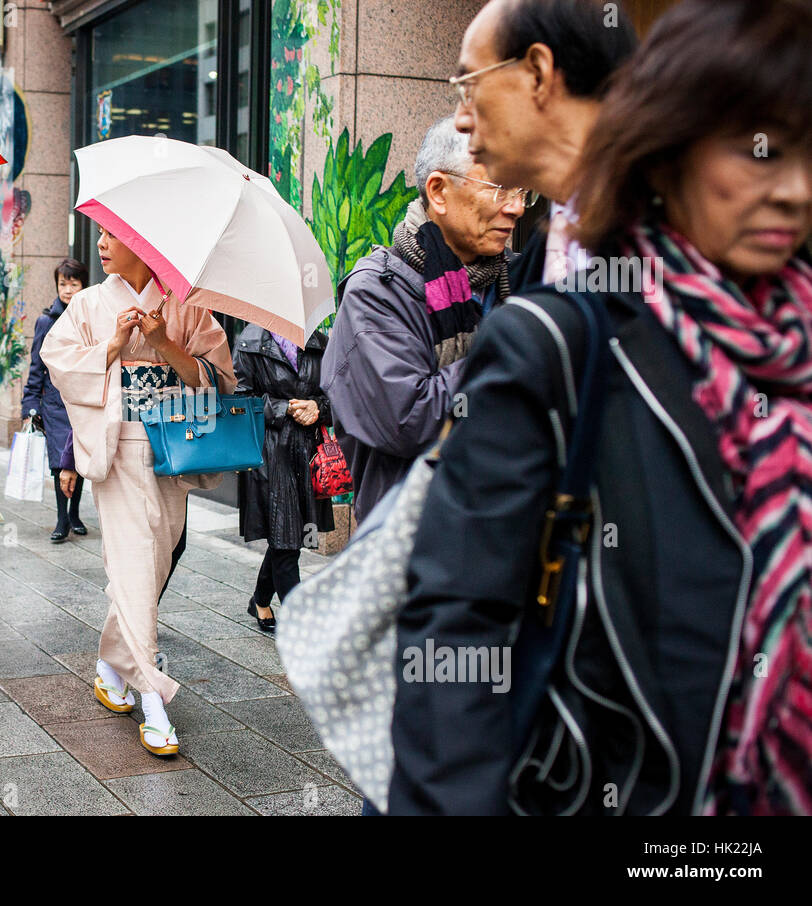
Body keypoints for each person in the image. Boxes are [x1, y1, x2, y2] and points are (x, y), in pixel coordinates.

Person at [389, 0, 812, 815]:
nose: (790, 190)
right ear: (672, 149)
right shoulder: (559, 338)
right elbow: (455, 626)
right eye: (757, 151)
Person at [42, 225, 236, 757]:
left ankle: (110, 666)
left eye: (112, 235)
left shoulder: (188, 307)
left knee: (153, 563)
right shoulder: (87, 303)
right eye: (100, 234)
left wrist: (162, 343)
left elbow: (220, 381)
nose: (100, 244)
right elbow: (57, 363)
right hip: (120, 442)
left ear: (145, 243)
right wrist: (110, 347)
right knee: (131, 562)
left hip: (174, 444)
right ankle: (153, 700)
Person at [322, 117, 526, 522]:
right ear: (439, 191)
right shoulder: (378, 290)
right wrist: (515, 352)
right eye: (500, 188)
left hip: (511, 523)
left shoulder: (519, 278)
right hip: (414, 535)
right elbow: (408, 418)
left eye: (523, 190)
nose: (516, 206)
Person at [451, 0, 637, 289]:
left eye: (469, 87)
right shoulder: (538, 257)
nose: (460, 121)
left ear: (538, 74)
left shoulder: (684, 241)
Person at [233, 326, 333, 633]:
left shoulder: (319, 342)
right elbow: (239, 401)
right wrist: (282, 407)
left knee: (290, 538)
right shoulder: (249, 343)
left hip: (309, 453)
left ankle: (260, 599)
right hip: (271, 452)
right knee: (287, 539)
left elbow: (337, 390)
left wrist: (319, 408)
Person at [21, 257, 89, 542]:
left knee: (80, 459)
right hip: (54, 405)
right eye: (63, 284)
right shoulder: (46, 320)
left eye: (73, 283)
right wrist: (30, 403)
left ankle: (74, 513)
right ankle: (62, 519)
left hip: (84, 400)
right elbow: (36, 364)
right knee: (59, 461)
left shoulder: (90, 317)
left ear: (83, 285)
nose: (68, 289)